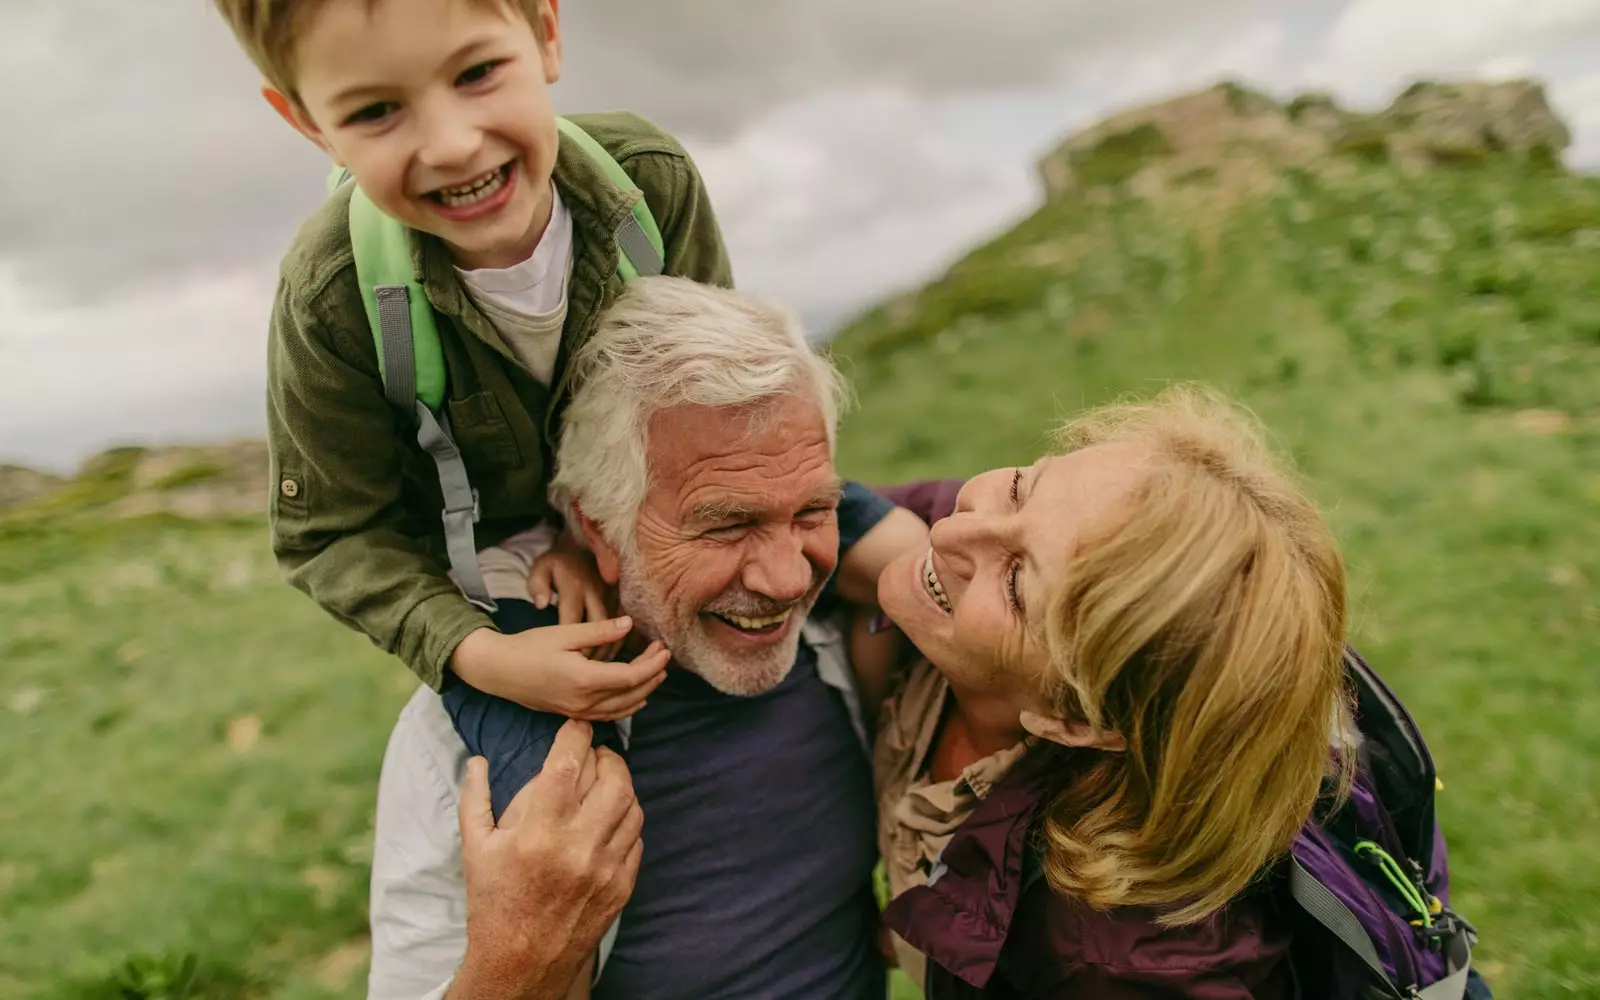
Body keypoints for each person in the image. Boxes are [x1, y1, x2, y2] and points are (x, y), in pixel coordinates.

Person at [208, 0, 921, 815]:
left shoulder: (648, 182)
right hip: (494, 567)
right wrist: (477, 655)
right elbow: (328, 534)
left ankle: (918, 816)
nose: (451, 144)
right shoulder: (333, 295)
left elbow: (715, 408)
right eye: (375, 111)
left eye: (476, 74)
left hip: (663, 509)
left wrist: (597, 536)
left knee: (917, 565)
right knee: (554, 795)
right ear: (307, 123)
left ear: (547, 32)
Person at [367, 276, 904, 1000]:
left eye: (812, 511)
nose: (785, 581)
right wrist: (520, 957)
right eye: (726, 524)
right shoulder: (459, 749)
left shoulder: (848, 639)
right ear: (596, 528)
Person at [869, 386, 1355, 997]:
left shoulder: (1115, 964)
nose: (951, 531)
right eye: (1023, 485)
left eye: (1017, 584)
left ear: (1078, 721)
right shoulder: (1001, 537)